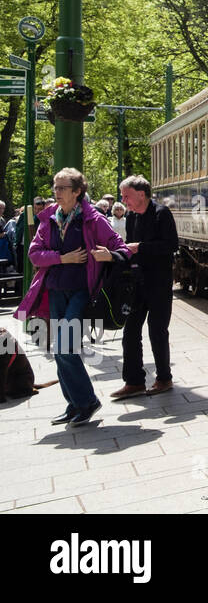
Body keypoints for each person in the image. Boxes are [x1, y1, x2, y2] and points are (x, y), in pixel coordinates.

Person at [14, 168, 128, 427]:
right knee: (61, 349)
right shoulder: (48, 219)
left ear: (77, 192)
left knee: (64, 346)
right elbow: (35, 255)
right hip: (55, 291)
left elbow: (119, 247)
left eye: (62, 188)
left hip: (82, 292)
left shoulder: (94, 219)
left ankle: (86, 401)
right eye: (55, 187)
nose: (57, 192)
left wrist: (108, 255)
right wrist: (61, 258)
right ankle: (74, 404)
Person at [111, 175, 179, 400]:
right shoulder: (131, 217)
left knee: (157, 331)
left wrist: (140, 247)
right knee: (130, 332)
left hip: (159, 282)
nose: (123, 200)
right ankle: (134, 381)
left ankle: (164, 378)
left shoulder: (161, 213)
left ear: (141, 194)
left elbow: (171, 245)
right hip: (137, 282)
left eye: (126, 195)